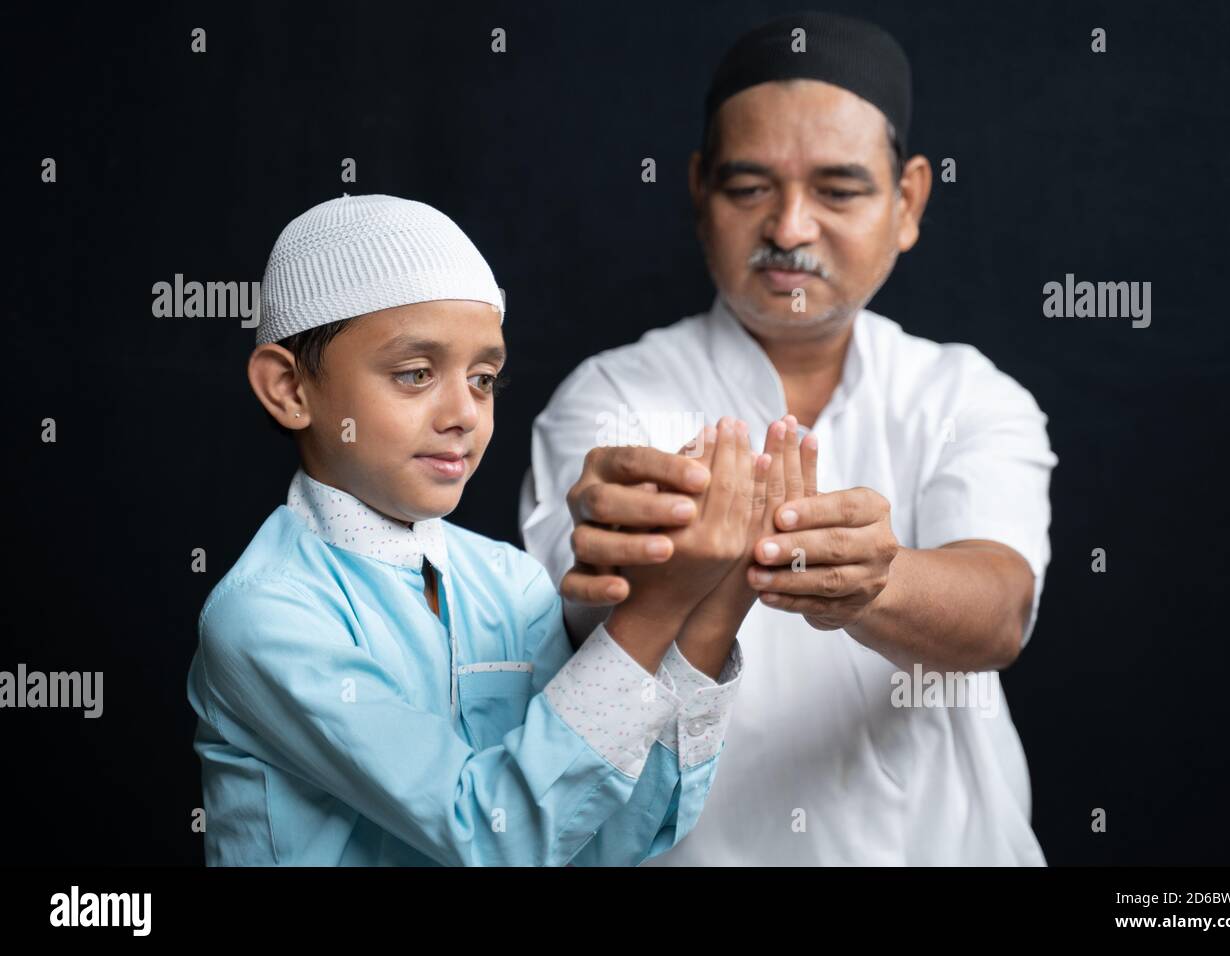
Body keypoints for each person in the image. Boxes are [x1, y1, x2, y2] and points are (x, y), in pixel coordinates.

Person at [520, 13, 1059, 865]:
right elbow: (567, 613)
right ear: (700, 191)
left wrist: (873, 584)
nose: (791, 229)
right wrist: (618, 563)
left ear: (908, 201)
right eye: (749, 189)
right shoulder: (613, 395)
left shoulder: (966, 393)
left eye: (839, 191)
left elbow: (1001, 613)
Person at [185, 193, 754, 866]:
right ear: (290, 389)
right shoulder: (269, 614)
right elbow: (490, 835)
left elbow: (604, 840)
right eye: (415, 374)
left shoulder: (510, 583)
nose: (464, 413)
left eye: (483, 378)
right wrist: (652, 615)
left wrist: (714, 603)